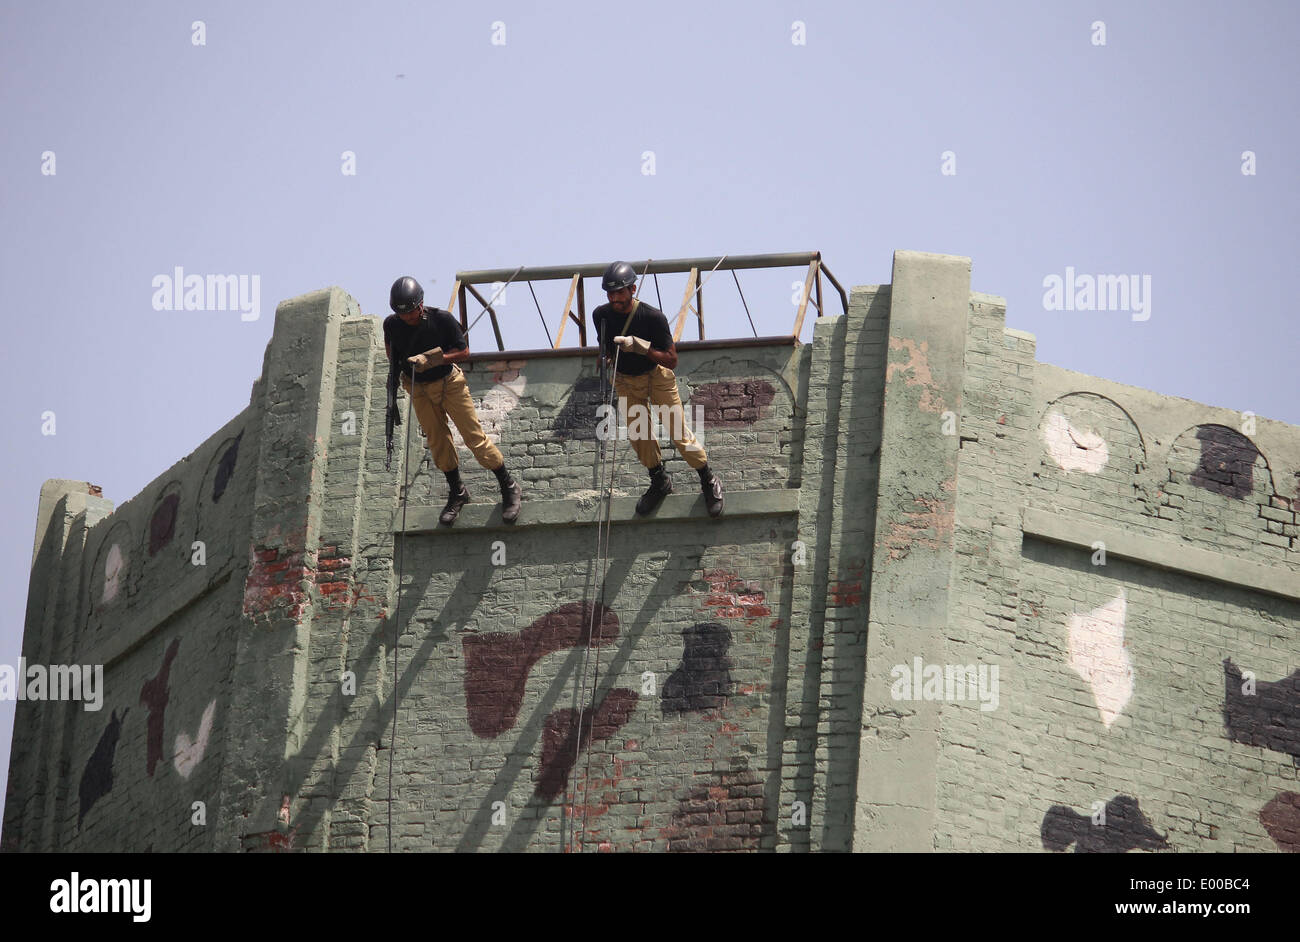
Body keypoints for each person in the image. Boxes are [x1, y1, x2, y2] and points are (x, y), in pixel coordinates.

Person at [384, 276, 521, 525]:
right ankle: (457, 492)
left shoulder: (442, 320)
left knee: (473, 438)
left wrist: (432, 358)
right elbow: (392, 357)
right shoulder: (391, 325)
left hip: (449, 384)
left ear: (421, 305)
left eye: (412, 313)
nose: (407, 318)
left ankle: (508, 485)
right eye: (402, 314)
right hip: (419, 389)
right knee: (437, 442)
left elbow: (463, 351)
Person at [591, 261, 723, 517]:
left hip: (656, 377)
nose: (615, 298)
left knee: (677, 431)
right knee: (639, 436)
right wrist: (605, 357)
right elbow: (604, 346)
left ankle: (707, 478)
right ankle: (659, 481)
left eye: (620, 292)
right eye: (610, 293)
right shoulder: (601, 315)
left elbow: (672, 360)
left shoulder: (652, 317)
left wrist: (642, 348)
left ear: (633, 289)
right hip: (627, 380)